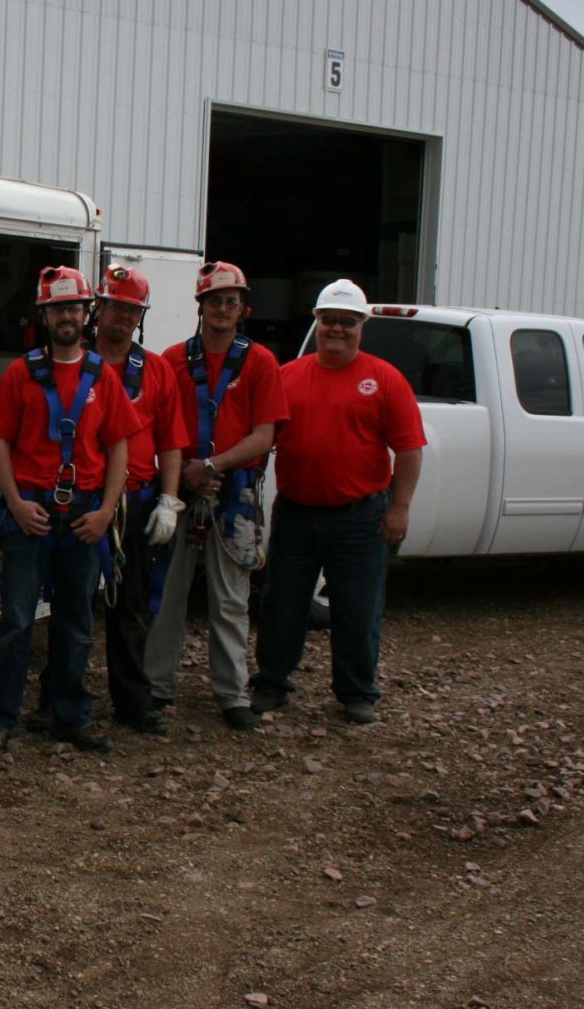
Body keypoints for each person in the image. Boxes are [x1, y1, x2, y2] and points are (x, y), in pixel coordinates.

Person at [0, 266, 138, 755]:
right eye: (56, 309)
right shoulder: (21, 374)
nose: (65, 316)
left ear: (84, 313)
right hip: (32, 516)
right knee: (17, 622)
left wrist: (108, 511)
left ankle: (70, 715)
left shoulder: (103, 377)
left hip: (84, 518)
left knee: (76, 624)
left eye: (72, 308)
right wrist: (18, 504)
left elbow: (120, 451)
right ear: (43, 317)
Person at [251, 280, 425, 724]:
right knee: (281, 607)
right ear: (317, 322)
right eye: (329, 320)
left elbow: (408, 449)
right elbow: (262, 440)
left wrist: (399, 508)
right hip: (295, 514)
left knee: (357, 611)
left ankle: (357, 693)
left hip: (360, 517)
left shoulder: (385, 380)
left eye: (347, 322)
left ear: (362, 326)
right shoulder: (288, 376)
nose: (337, 329)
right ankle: (271, 683)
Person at [143, 260, 288, 731]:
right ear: (201, 307)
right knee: (168, 591)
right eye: (214, 301)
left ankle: (231, 694)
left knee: (231, 596)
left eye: (231, 301)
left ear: (243, 308)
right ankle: (156, 687)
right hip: (180, 486)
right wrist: (186, 476)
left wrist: (210, 467)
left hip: (232, 490)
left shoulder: (261, 362)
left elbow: (264, 435)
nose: (222, 309)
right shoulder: (172, 360)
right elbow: (161, 428)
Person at [92, 263, 187, 735]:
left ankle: (132, 702)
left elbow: (171, 440)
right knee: (69, 607)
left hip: (136, 504)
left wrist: (169, 500)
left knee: (130, 609)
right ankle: (59, 700)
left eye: (132, 310)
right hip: (82, 504)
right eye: (116, 307)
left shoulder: (156, 371)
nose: (123, 318)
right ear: (98, 307)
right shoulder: (71, 361)